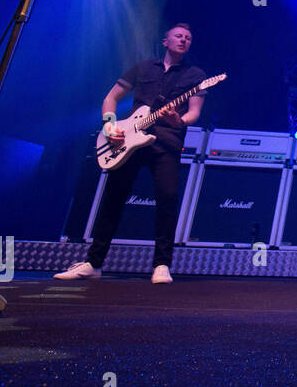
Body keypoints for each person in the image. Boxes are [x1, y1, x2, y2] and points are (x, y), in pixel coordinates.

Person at [55, 23, 207, 283]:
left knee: (167, 200)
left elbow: (194, 112)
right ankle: (94, 263)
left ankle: (161, 265)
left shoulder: (196, 75)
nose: (184, 40)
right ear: (165, 41)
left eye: (189, 38)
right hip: (129, 139)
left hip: (167, 142)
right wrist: (110, 123)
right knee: (113, 199)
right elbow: (111, 97)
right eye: (179, 36)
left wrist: (178, 121)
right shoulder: (144, 67)